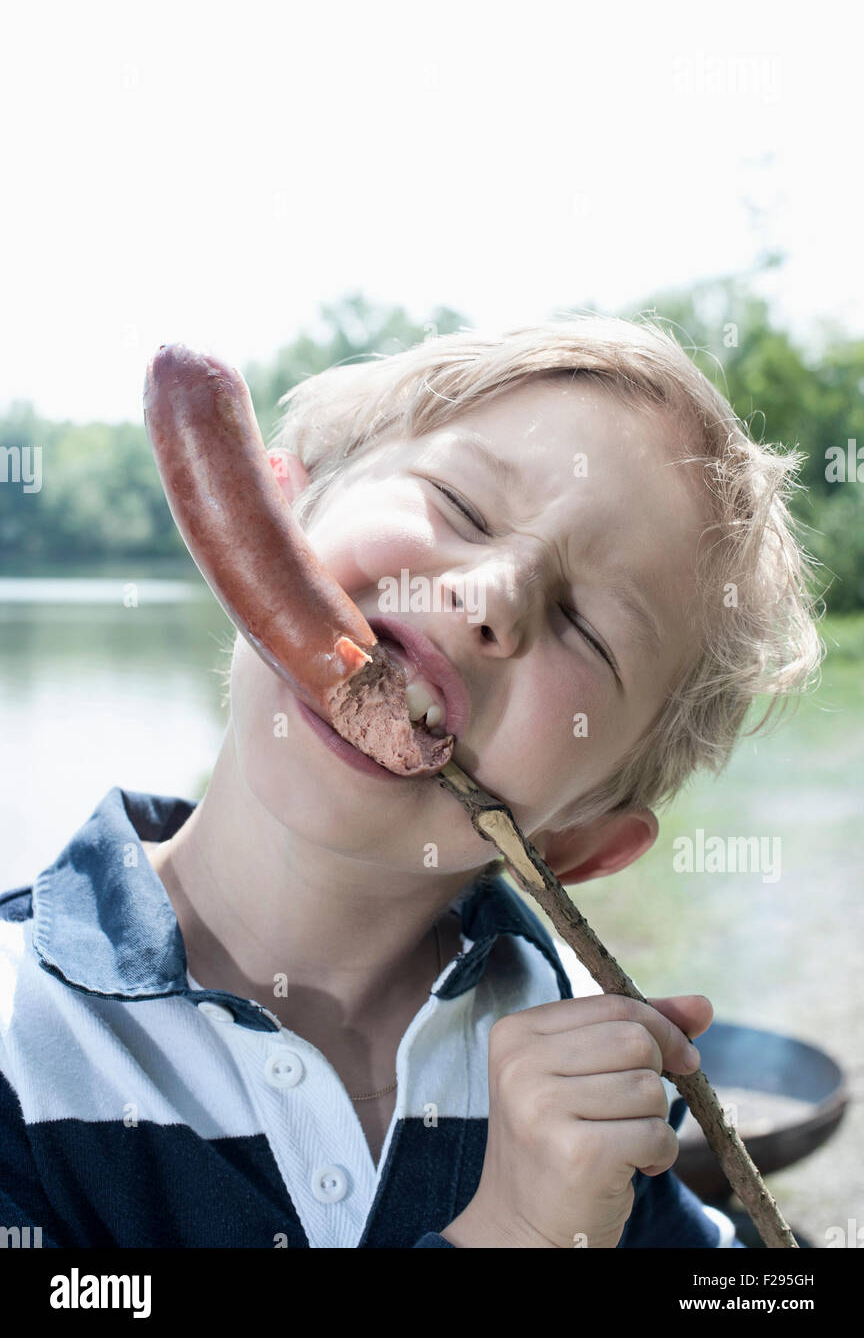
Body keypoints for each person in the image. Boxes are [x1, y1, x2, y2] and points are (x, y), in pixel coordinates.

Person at [0, 315, 822, 1248]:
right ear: (269, 519)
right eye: (461, 505)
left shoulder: (580, 1102)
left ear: (580, 838)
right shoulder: (19, 1043)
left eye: (589, 630)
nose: (493, 593)